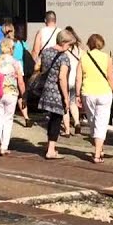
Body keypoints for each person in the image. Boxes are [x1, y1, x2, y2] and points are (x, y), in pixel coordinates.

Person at [80, 34, 113, 163]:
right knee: (101, 123)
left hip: (88, 93)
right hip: (104, 93)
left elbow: (78, 78)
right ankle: (97, 154)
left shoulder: (84, 58)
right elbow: (111, 78)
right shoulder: (106, 58)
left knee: (93, 122)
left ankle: (99, 149)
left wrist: (77, 95)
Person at [37, 30, 75, 160]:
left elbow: (40, 67)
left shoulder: (46, 51)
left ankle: (50, 146)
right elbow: (62, 78)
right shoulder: (63, 57)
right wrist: (66, 97)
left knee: (51, 119)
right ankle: (51, 150)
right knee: (56, 120)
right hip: (57, 92)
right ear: (64, 42)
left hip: (46, 90)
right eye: (69, 45)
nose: (69, 48)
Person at [0, 37, 26, 156]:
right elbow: (20, 81)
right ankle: (4, 147)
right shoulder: (16, 62)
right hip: (12, 93)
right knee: (8, 119)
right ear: (10, 48)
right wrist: (23, 95)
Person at [2, 21, 30, 125]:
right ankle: (26, 117)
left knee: (8, 92)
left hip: (8, 69)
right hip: (20, 70)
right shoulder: (22, 42)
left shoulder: (4, 43)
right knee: (20, 94)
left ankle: (6, 114)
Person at [62, 26, 84, 137]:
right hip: (76, 80)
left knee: (64, 104)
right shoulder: (80, 50)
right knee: (73, 103)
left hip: (66, 80)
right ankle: (77, 122)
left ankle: (66, 130)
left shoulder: (64, 50)